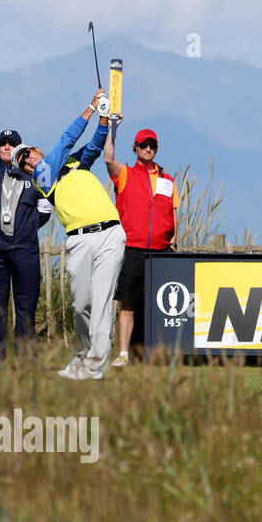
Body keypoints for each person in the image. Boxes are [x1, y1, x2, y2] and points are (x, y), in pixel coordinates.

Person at [13, 90, 125, 379]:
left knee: (101, 304)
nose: (26, 161)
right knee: (81, 304)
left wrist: (104, 115)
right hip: (80, 239)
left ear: (36, 150)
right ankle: (83, 355)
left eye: (27, 154)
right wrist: (90, 107)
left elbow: (95, 145)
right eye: (22, 163)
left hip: (111, 233)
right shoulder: (43, 178)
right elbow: (66, 140)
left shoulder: (75, 163)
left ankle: (93, 368)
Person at [0, 127, 52, 360]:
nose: (7, 147)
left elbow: (45, 209)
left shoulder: (33, 174)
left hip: (25, 251)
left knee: (26, 305)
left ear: (20, 149)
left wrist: (27, 228)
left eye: (12, 143)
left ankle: (25, 354)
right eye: (3, 143)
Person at [103, 121, 180, 365]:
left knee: (159, 305)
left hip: (160, 251)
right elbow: (107, 158)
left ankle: (155, 353)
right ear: (135, 148)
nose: (148, 149)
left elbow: (173, 213)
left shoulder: (168, 179)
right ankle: (124, 353)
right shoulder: (125, 173)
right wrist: (111, 129)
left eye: (152, 145)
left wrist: (173, 241)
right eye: (144, 145)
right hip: (133, 248)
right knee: (128, 303)